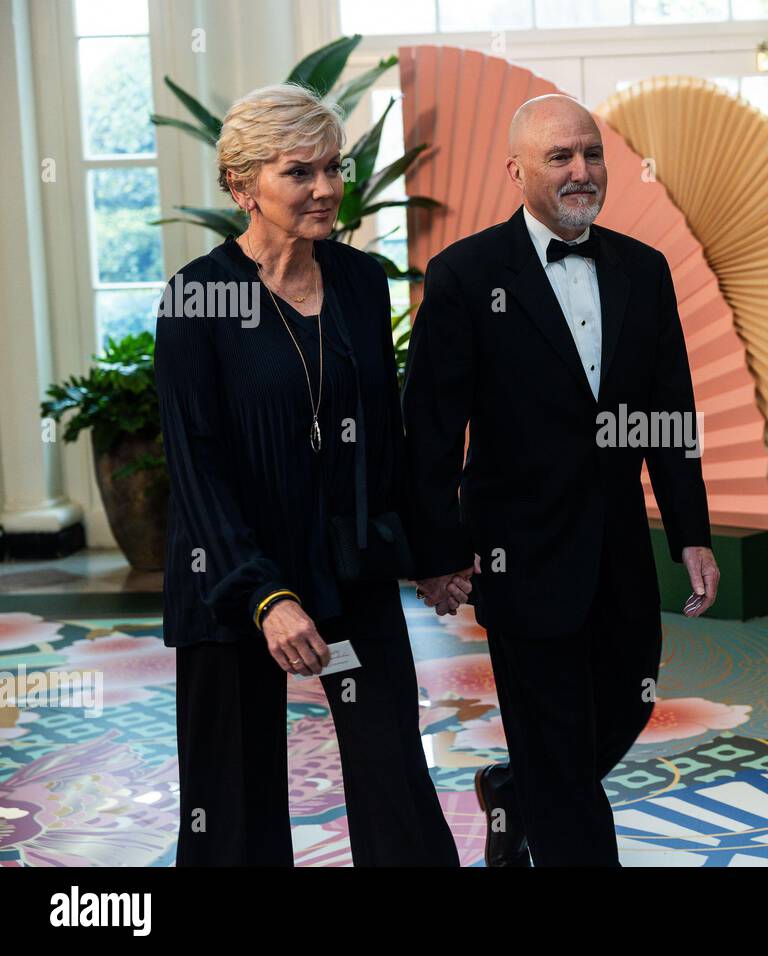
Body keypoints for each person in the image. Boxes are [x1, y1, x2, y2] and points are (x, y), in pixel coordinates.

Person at [402, 93, 721, 866]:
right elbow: (432, 432)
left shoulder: (645, 271)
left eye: (591, 154)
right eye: (559, 157)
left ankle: (515, 793)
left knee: (624, 701)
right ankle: (550, 811)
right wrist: (436, 554)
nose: (582, 171)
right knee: (556, 740)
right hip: (516, 551)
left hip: (617, 546)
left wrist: (691, 534)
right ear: (517, 171)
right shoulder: (465, 276)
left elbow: (669, 412)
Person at [156, 83, 462, 866]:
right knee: (233, 804)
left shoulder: (361, 281)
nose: (326, 189)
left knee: (393, 769)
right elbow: (198, 469)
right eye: (300, 172)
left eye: (334, 168)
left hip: (347, 569)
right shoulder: (198, 297)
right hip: (233, 582)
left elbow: (385, 440)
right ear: (241, 185)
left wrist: (428, 552)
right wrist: (264, 595)